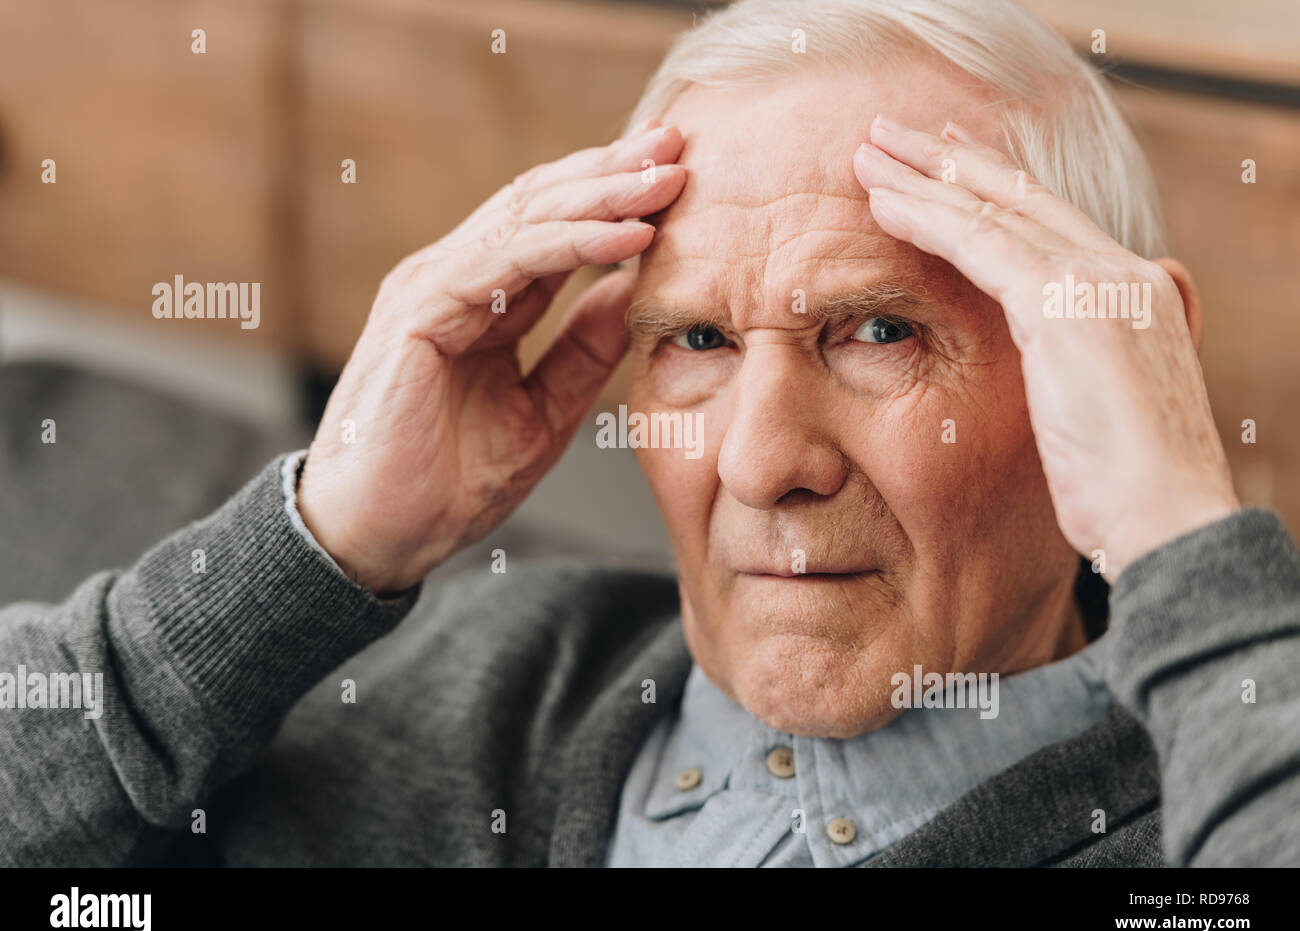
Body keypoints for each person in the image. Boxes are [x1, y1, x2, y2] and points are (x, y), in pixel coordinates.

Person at [3, 0, 1297, 867]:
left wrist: (1181, 530)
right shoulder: (498, 668)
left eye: (878, 331)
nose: (759, 461)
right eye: (696, 342)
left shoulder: (1206, 809)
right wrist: (321, 541)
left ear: (1123, 356)